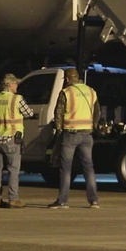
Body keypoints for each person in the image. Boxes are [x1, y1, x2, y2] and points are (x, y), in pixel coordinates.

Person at [49, 69, 101, 209]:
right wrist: (93, 127)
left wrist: (59, 131)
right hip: (87, 135)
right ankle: (93, 200)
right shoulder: (91, 91)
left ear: (67, 79)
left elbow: (58, 113)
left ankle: (63, 201)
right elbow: (97, 112)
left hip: (70, 134)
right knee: (88, 168)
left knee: (66, 169)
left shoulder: (66, 92)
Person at [0, 73, 34, 208]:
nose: (17, 85)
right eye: (15, 83)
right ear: (9, 85)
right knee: (13, 170)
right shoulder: (17, 99)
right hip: (12, 139)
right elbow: (29, 113)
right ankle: (13, 199)